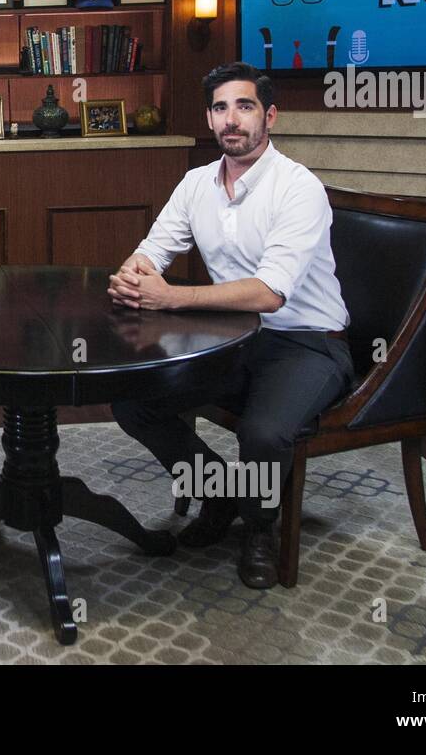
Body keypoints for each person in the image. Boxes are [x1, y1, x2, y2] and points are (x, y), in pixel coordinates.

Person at [108, 62, 354, 589]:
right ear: (209, 119)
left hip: (308, 343)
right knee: (134, 402)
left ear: (270, 116)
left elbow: (269, 293)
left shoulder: (299, 188)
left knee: (262, 432)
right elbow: (153, 251)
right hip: (234, 339)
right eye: (221, 108)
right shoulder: (197, 183)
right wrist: (131, 276)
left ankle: (259, 530)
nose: (232, 119)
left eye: (245, 106)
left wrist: (171, 298)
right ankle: (220, 495)